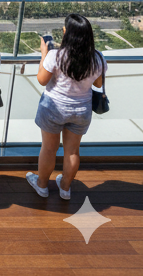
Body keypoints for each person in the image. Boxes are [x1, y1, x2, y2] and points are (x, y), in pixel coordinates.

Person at [27, 13, 107, 200]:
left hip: (53, 107)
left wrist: (44, 54)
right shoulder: (97, 58)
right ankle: (65, 188)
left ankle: (42, 186)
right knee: (72, 151)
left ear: (66, 33)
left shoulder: (56, 56)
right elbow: (97, 84)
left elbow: (41, 80)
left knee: (48, 149)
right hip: (81, 110)